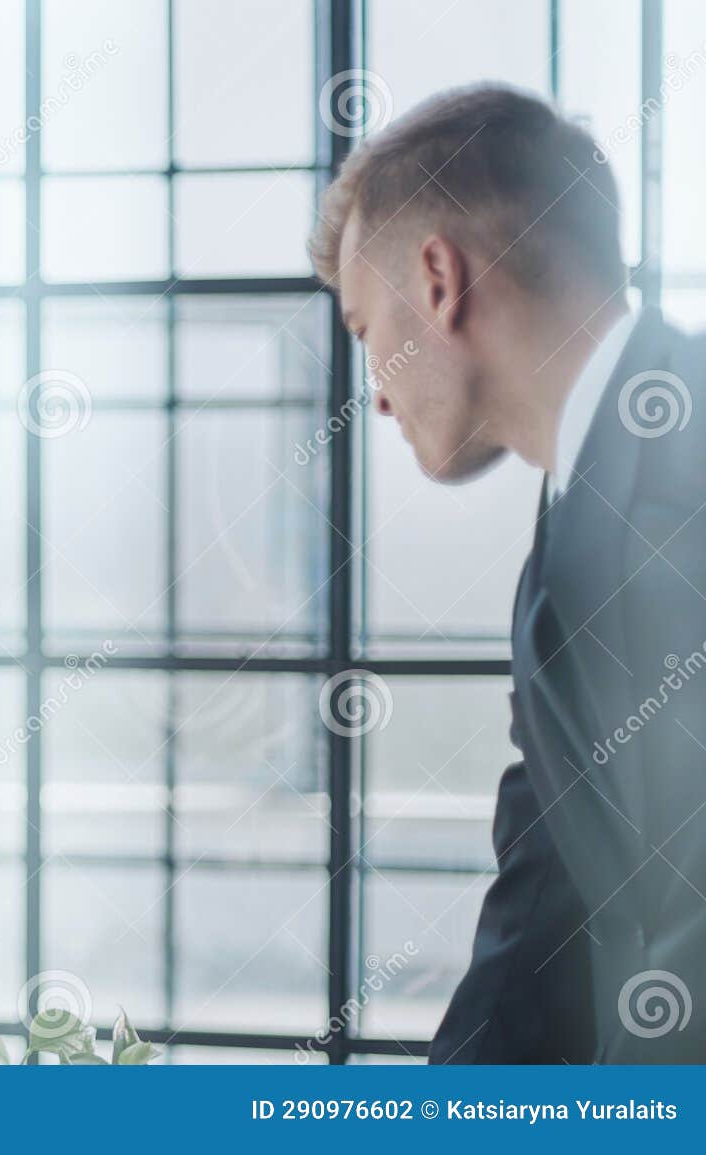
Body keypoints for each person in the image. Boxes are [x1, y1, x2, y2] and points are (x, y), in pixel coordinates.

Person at [311, 82, 706, 1063]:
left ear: (438, 279)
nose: (380, 401)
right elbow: (548, 901)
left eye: (365, 333)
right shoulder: (572, 518)